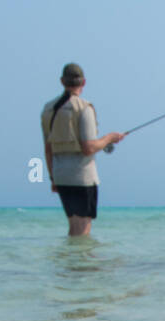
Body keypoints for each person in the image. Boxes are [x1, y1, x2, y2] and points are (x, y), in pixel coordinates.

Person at [40, 63, 125, 236]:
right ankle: (81, 263)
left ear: (62, 81)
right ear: (84, 82)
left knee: (74, 226)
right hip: (82, 177)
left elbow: (48, 149)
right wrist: (110, 138)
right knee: (82, 229)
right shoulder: (84, 108)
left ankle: (72, 262)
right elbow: (88, 148)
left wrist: (53, 178)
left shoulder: (48, 109)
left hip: (60, 175)